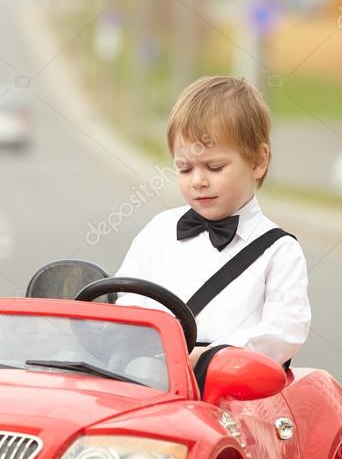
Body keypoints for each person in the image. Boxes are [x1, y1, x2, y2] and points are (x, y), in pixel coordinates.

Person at [114, 76, 311, 375]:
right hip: (154, 373)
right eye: (184, 168)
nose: (198, 181)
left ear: (258, 162)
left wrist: (211, 358)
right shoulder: (159, 230)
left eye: (214, 167)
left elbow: (284, 330)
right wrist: (145, 347)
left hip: (231, 382)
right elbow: (127, 299)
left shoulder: (279, 251)